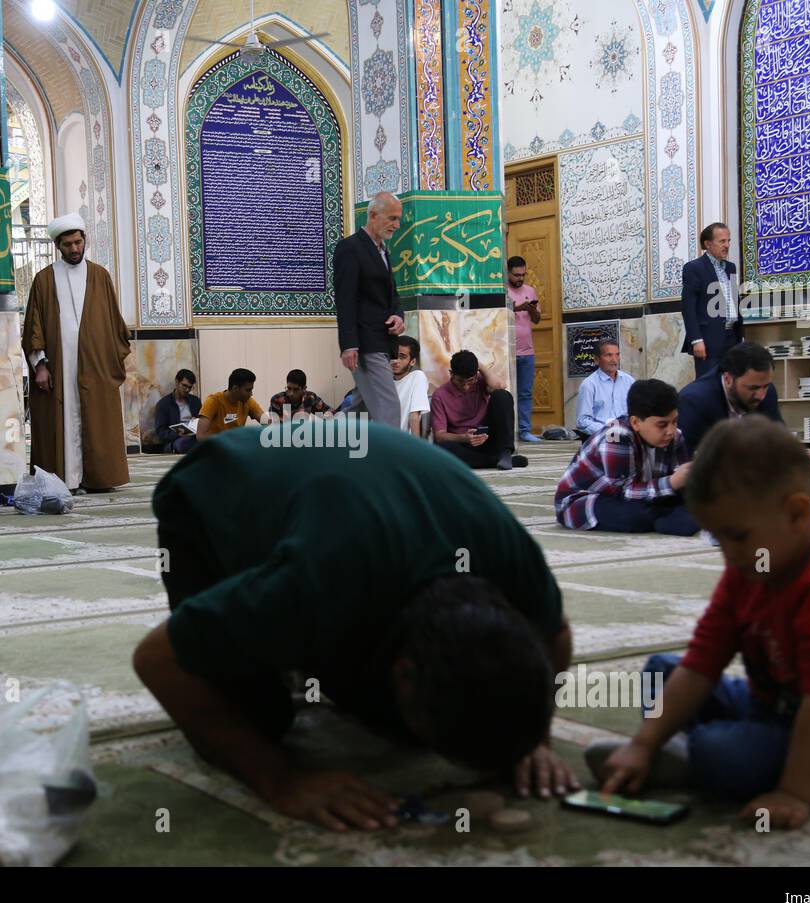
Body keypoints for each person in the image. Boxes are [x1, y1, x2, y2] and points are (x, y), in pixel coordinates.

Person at [132, 423, 578, 831]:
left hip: (353, 483)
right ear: (402, 670)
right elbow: (158, 660)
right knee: (258, 719)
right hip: (212, 484)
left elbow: (555, 636)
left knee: (423, 715)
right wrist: (282, 781)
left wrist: (531, 741)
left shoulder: (513, 567)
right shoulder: (316, 584)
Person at [590, 417, 810, 829]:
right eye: (719, 540)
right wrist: (642, 743)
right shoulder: (747, 571)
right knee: (661, 671)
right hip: (768, 705)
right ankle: (685, 752)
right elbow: (702, 662)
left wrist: (794, 793)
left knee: (720, 751)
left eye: (738, 537)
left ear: (796, 513)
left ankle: (699, 758)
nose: (731, 555)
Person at [22, 212, 131, 492]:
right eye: (68, 244)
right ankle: (65, 479)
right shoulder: (45, 279)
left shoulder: (100, 276)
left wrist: (109, 358)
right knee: (61, 421)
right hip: (58, 366)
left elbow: (113, 323)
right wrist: (40, 365)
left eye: (78, 243)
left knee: (95, 419)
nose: (74, 249)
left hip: (94, 367)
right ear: (58, 246)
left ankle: (97, 477)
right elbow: (33, 326)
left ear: (85, 241)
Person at [678, 342, 810, 519]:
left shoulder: (765, 391)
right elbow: (683, 464)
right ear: (728, 379)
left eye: (765, 387)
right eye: (753, 388)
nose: (761, 395)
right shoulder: (695, 401)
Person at [554, 378, 698, 536]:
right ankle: (668, 518)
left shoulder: (675, 436)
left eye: (675, 422)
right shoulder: (615, 435)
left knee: (689, 502)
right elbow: (623, 492)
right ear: (635, 422)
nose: (670, 431)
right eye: (662, 425)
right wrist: (672, 482)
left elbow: (681, 485)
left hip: (644, 496)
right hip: (591, 500)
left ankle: (669, 516)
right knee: (636, 515)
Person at [333, 191, 405, 426]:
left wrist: (398, 315)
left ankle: (318, 448)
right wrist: (349, 344)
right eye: (392, 218)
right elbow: (345, 299)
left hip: (383, 340)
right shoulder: (350, 248)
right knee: (388, 407)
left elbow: (391, 293)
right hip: (365, 343)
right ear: (373, 215)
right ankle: (389, 461)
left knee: (359, 410)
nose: (397, 224)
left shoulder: (383, 250)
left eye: (398, 219)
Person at [431, 350, 527, 470]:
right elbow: (440, 436)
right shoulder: (440, 395)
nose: (466, 386)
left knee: (502, 396)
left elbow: (500, 387)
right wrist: (463, 437)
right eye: (460, 382)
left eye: (470, 381)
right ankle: (496, 461)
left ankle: (505, 453)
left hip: (487, 440)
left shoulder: (481, 382)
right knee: (442, 451)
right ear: (451, 374)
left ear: (476, 374)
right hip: (462, 444)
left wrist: (480, 366)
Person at [681, 223, 744, 378]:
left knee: (732, 383)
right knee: (709, 385)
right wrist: (696, 339)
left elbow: (733, 300)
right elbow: (688, 308)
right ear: (708, 244)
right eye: (722, 241)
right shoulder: (694, 268)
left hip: (732, 338)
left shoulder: (731, 268)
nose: (727, 245)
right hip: (708, 340)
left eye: (729, 241)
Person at [507, 255, 541, 442]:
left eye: (523, 274)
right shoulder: (502, 290)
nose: (520, 278)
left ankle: (525, 430)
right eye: (516, 275)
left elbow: (536, 320)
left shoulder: (530, 290)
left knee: (525, 393)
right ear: (508, 273)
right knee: (507, 394)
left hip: (527, 352)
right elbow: (498, 313)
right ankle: (508, 431)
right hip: (507, 352)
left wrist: (531, 309)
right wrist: (518, 307)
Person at [575, 339, 634, 437]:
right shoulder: (589, 385)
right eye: (609, 355)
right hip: (601, 438)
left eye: (617, 354)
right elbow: (582, 421)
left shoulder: (629, 381)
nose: (614, 360)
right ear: (597, 360)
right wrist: (608, 430)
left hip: (627, 436)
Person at [197, 368, 266, 441]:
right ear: (235, 388)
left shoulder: (248, 401)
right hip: (216, 448)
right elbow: (200, 436)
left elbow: (267, 423)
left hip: (236, 447)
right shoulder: (213, 401)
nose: (251, 394)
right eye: (248, 390)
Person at [390, 335, 431, 436]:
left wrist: (415, 448)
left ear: (412, 361)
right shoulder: (383, 381)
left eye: (402, 357)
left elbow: (414, 416)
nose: (395, 361)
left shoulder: (417, 377)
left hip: (398, 441)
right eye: (393, 355)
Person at [153, 369, 202, 454]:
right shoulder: (164, 404)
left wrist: (197, 422)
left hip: (195, 436)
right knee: (184, 443)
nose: (187, 390)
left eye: (190, 387)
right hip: (176, 440)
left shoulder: (195, 401)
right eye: (184, 386)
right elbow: (160, 432)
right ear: (176, 382)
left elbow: (203, 421)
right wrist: (178, 434)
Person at [268, 369, 333, 419]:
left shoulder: (310, 398)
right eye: (289, 388)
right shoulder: (277, 400)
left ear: (304, 388)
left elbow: (331, 413)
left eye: (296, 390)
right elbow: (274, 427)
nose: (291, 393)